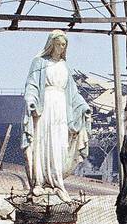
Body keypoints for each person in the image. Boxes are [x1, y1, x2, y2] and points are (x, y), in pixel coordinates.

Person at [21, 30, 92, 195]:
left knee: (59, 144)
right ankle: (39, 181)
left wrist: (83, 107)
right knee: (42, 142)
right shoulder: (39, 62)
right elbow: (31, 85)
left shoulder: (64, 66)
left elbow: (73, 93)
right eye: (59, 44)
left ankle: (57, 181)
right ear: (51, 44)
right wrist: (31, 101)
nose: (61, 47)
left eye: (64, 45)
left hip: (61, 109)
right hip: (44, 107)